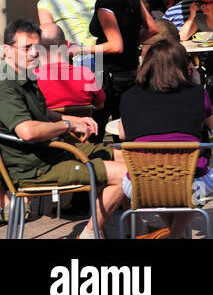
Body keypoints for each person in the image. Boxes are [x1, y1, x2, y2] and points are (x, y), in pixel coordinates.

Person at [0, 20, 127, 239]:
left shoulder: (25, 76)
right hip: (37, 167)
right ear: (6, 50)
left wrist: (71, 118)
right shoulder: (6, 86)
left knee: (132, 159)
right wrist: (68, 124)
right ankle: (90, 234)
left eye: (36, 47)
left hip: (55, 151)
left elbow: (42, 113)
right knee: (127, 174)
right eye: (26, 48)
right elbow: (27, 131)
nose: (33, 53)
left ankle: (132, 228)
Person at [119, 37, 213, 238]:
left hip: (142, 185)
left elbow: (122, 134)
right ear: (185, 66)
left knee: (159, 189)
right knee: (184, 188)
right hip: (192, 184)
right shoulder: (196, 93)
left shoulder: (129, 95)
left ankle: (175, 234)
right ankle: (176, 235)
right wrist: (197, 84)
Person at [64, 0, 158, 122]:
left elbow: (115, 46)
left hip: (110, 76)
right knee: (124, 125)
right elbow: (152, 29)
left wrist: (80, 49)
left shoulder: (104, 2)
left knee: (97, 125)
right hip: (131, 71)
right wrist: (130, 43)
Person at [35, 38, 105, 113]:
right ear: (66, 46)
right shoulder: (86, 74)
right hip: (82, 124)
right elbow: (100, 105)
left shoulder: (31, 79)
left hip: (46, 124)